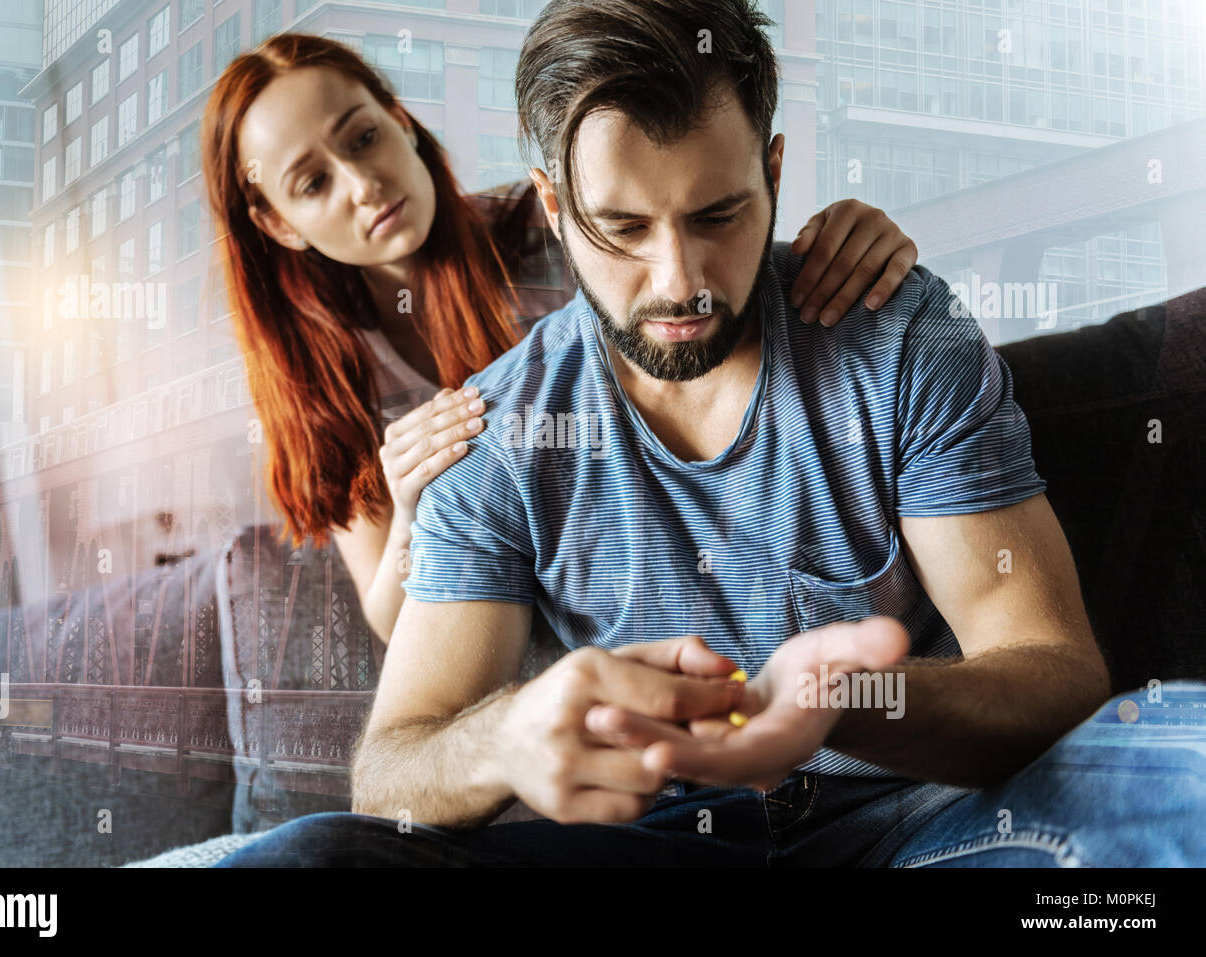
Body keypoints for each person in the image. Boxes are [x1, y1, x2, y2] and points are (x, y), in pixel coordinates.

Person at [215, 0, 1206, 868]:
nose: (679, 278)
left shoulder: (900, 332)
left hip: (912, 826)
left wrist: (850, 706)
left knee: (1181, 758)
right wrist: (508, 736)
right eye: (623, 229)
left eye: (719, 212)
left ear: (774, 171)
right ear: (555, 210)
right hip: (631, 841)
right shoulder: (491, 426)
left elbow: (1051, 667)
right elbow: (394, 762)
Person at [202, 32, 922, 646]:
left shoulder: (558, 229)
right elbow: (394, 621)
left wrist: (844, 244)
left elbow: (718, 263)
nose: (363, 183)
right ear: (278, 224)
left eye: (364, 136)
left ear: (401, 120)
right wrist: (414, 512)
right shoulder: (320, 382)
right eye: (312, 182)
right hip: (543, 657)